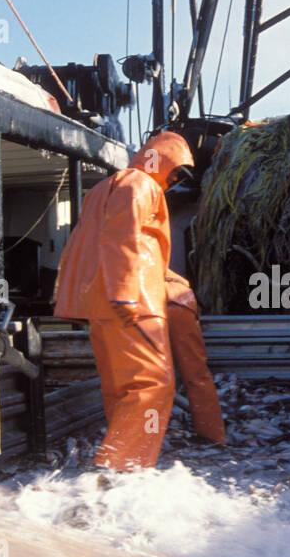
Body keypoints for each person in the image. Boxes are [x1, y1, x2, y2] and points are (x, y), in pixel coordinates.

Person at [53, 131, 194, 470]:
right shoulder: (139, 184)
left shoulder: (102, 188)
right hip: (134, 301)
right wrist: (124, 295)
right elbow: (123, 236)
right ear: (160, 159)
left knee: (122, 388)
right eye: (174, 171)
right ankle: (122, 467)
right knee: (154, 386)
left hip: (102, 304)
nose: (172, 180)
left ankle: (116, 465)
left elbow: (84, 244)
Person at [164, 269, 227, 444]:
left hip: (146, 300)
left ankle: (150, 436)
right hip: (178, 298)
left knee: (151, 384)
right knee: (196, 374)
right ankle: (214, 436)